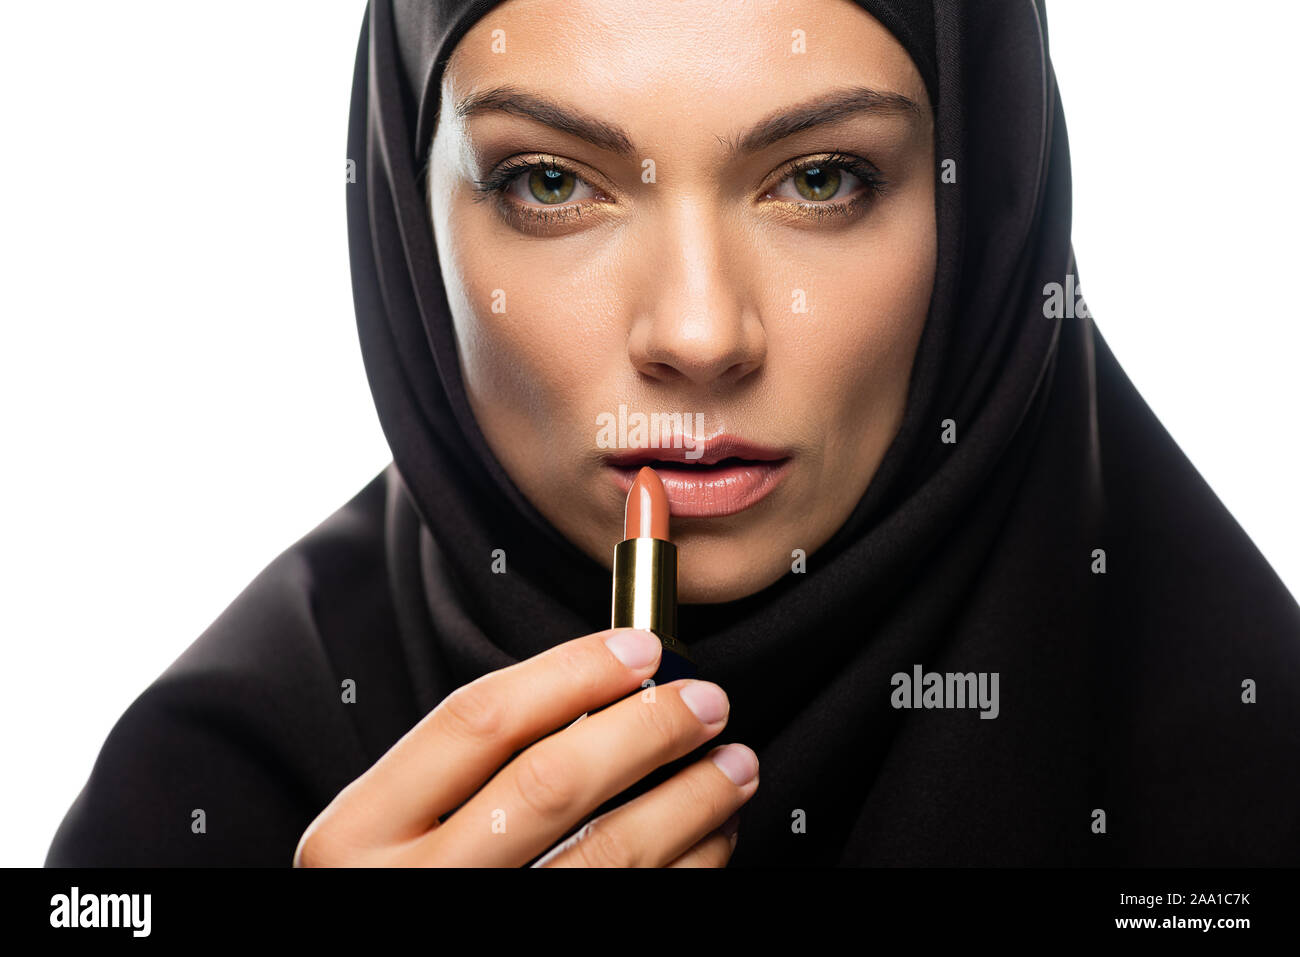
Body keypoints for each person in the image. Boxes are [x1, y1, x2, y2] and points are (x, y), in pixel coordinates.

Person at [45, 0, 1300, 868]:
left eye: (819, 178)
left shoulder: (1251, 774)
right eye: (550, 182)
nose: (700, 335)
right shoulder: (198, 801)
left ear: (992, 204)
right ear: (406, 217)